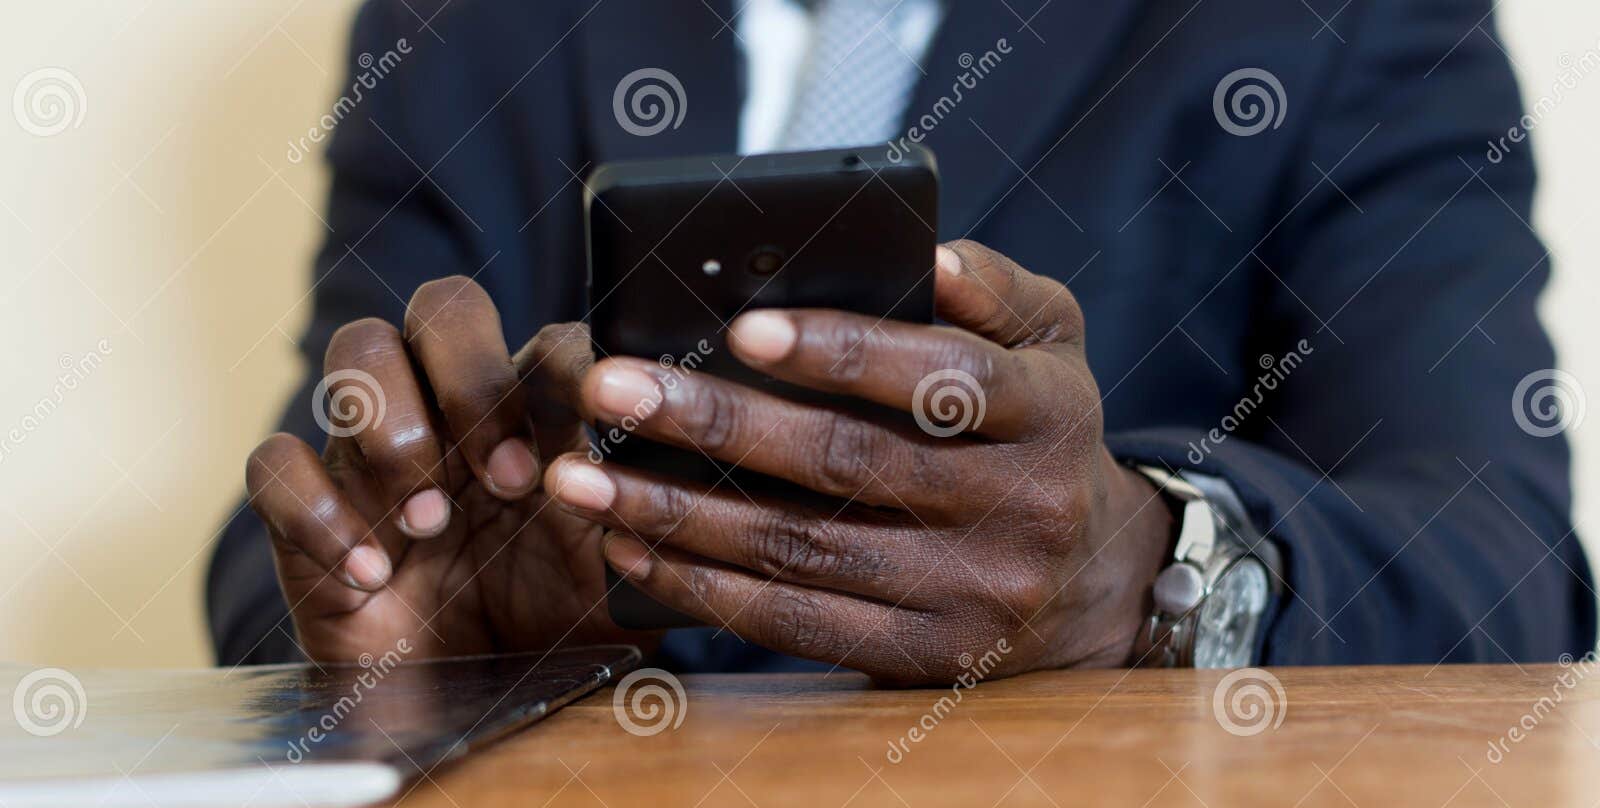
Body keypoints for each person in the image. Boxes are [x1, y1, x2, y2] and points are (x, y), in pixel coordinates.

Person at [207, 0, 1595, 684]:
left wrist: (1152, 572)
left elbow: (1504, 556)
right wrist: (423, 618)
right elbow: (281, 539)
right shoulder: (457, 26)